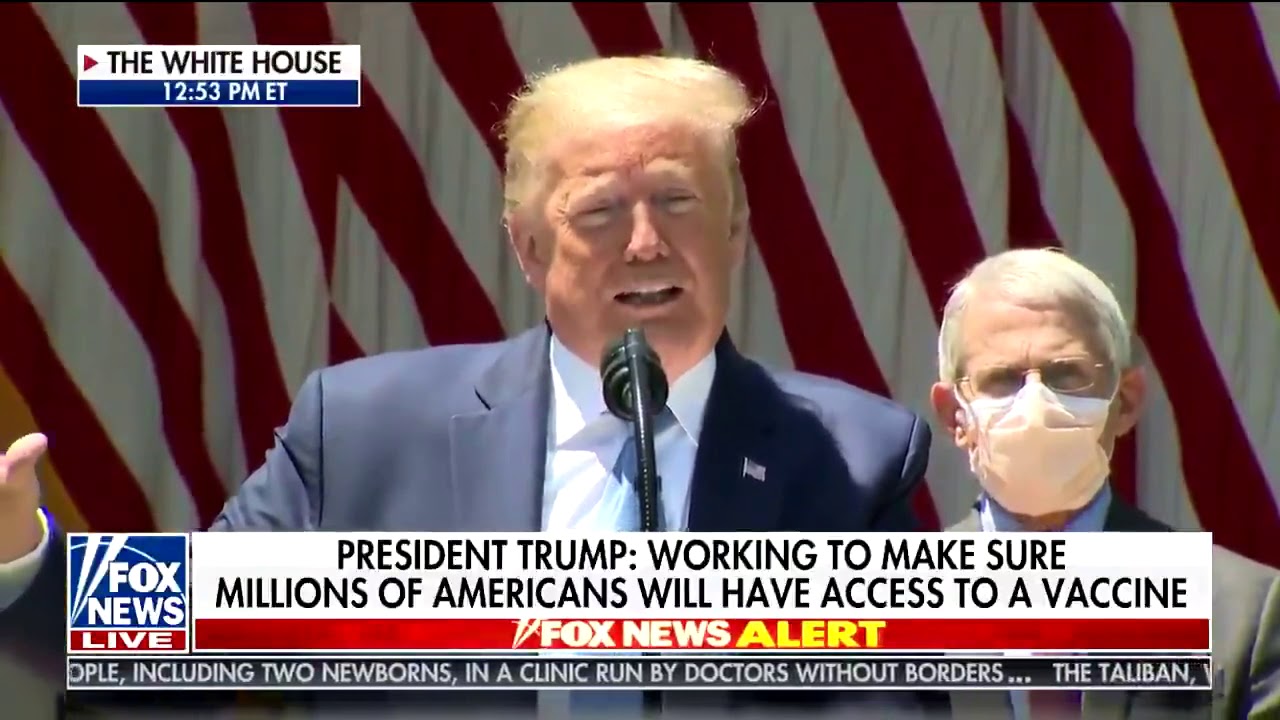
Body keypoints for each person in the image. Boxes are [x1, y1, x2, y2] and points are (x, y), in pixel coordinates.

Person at [0, 55, 942, 717]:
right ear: (529, 248)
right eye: (602, 211)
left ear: (735, 231)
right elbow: (172, 655)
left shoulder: (853, 460)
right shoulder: (366, 431)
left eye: (679, 201)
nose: (646, 242)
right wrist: (19, 560)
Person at [928, 248, 1280, 720]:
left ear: (1127, 401)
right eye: (1003, 380)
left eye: (1065, 375)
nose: (1036, 405)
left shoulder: (1241, 614)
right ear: (955, 416)